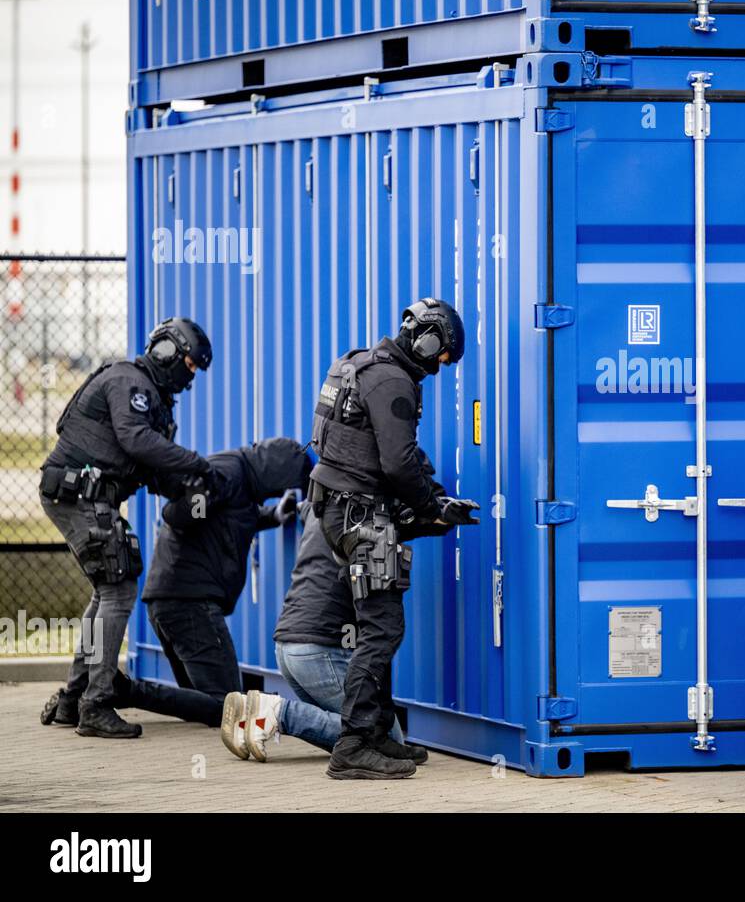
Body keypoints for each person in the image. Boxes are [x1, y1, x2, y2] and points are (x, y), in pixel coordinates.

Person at [306, 297, 479, 780]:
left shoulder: (361, 363)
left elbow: (390, 452)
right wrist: (430, 509)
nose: (439, 368)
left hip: (342, 507)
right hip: (358, 511)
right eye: (441, 356)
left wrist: (437, 500)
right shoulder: (393, 379)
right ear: (427, 340)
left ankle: (378, 730)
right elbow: (399, 463)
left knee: (375, 625)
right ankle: (354, 744)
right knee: (384, 627)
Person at [38, 317, 213, 739]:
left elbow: (153, 471)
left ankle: (73, 699)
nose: (188, 377)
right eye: (188, 365)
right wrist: (194, 462)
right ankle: (96, 704)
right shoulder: (128, 383)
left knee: (108, 591)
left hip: (86, 496)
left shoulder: (154, 399)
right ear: (167, 352)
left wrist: (197, 487)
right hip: (77, 493)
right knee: (118, 589)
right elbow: (135, 441)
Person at [219, 501, 447, 762]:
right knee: (385, 741)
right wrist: (438, 514)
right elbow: (409, 515)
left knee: (352, 723)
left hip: (289, 645)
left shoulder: (326, 505)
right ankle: (278, 712)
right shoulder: (369, 510)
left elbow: (306, 507)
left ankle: (248, 716)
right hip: (321, 651)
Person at [118, 437, 311, 726]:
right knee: (228, 705)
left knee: (207, 702)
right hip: (189, 605)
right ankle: (123, 690)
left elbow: (229, 516)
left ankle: (116, 690)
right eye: (286, 485)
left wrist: (272, 515)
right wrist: (194, 504)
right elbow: (176, 514)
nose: (282, 492)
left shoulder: (238, 478)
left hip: (171, 601)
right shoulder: (226, 474)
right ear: (277, 473)